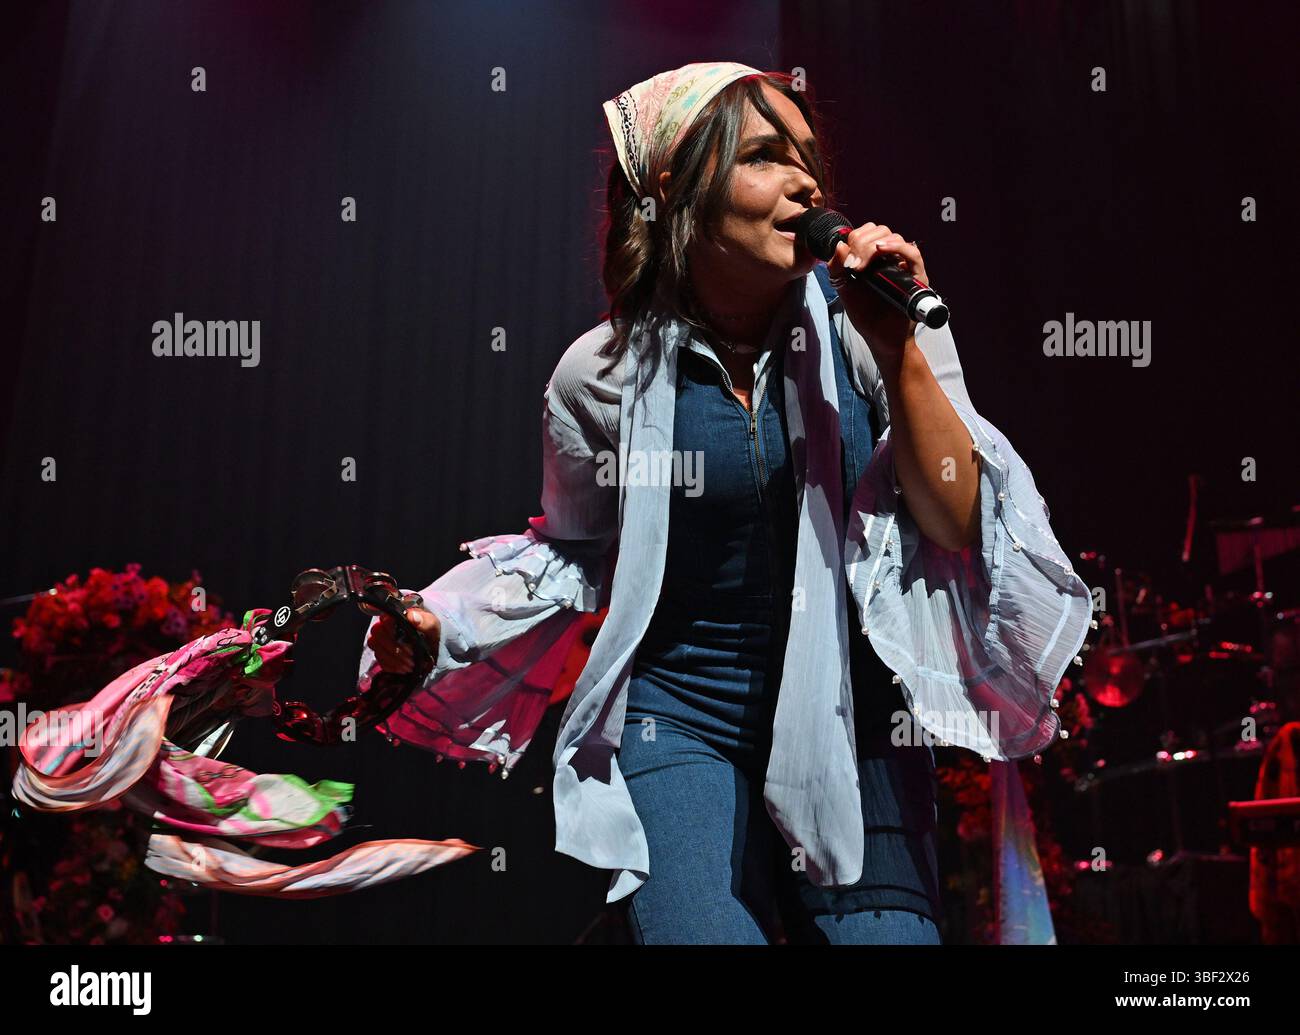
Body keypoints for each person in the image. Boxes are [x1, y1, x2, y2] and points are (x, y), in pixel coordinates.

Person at [359, 62, 1092, 944]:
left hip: (856, 733)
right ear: (677, 186)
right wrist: (444, 622)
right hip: (682, 721)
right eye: (765, 157)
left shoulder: (870, 330)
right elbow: (574, 552)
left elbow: (958, 517)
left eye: (809, 160)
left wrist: (900, 346)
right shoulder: (600, 376)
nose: (805, 182)